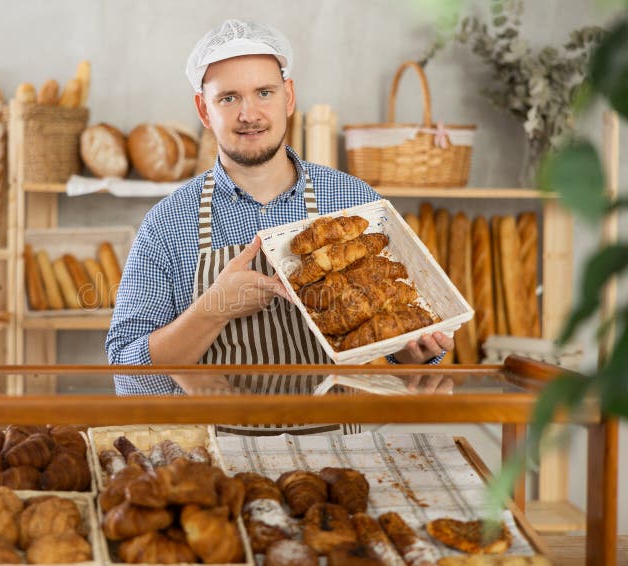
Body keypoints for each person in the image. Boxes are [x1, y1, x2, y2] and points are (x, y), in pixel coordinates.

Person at [106, 19, 454, 405]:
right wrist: (214, 309)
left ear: (288, 97)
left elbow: (405, 328)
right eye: (228, 98)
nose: (249, 114)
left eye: (264, 92)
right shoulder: (168, 223)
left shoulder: (355, 201)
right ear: (203, 110)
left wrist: (413, 353)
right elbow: (127, 374)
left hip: (336, 450)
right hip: (221, 452)